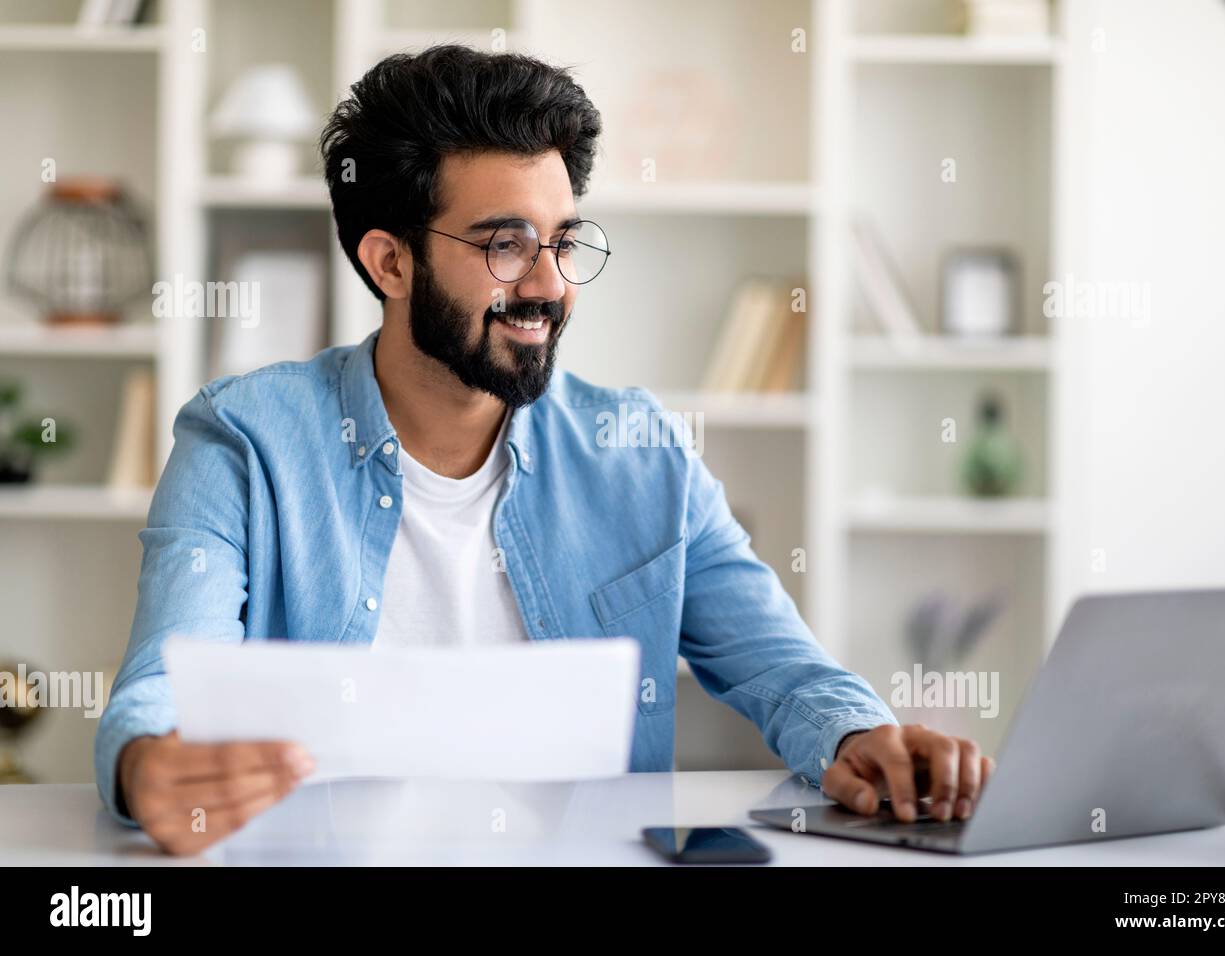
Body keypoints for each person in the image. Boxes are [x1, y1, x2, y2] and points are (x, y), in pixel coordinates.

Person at [96, 44, 992, 855]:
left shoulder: (640, 451)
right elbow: (159, 687)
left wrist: (861, 737)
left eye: (563, 241)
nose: (550, 285)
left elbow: (787, 672)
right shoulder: (244, 442)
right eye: (504, 245)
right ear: (389, 262)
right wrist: (149, 768)